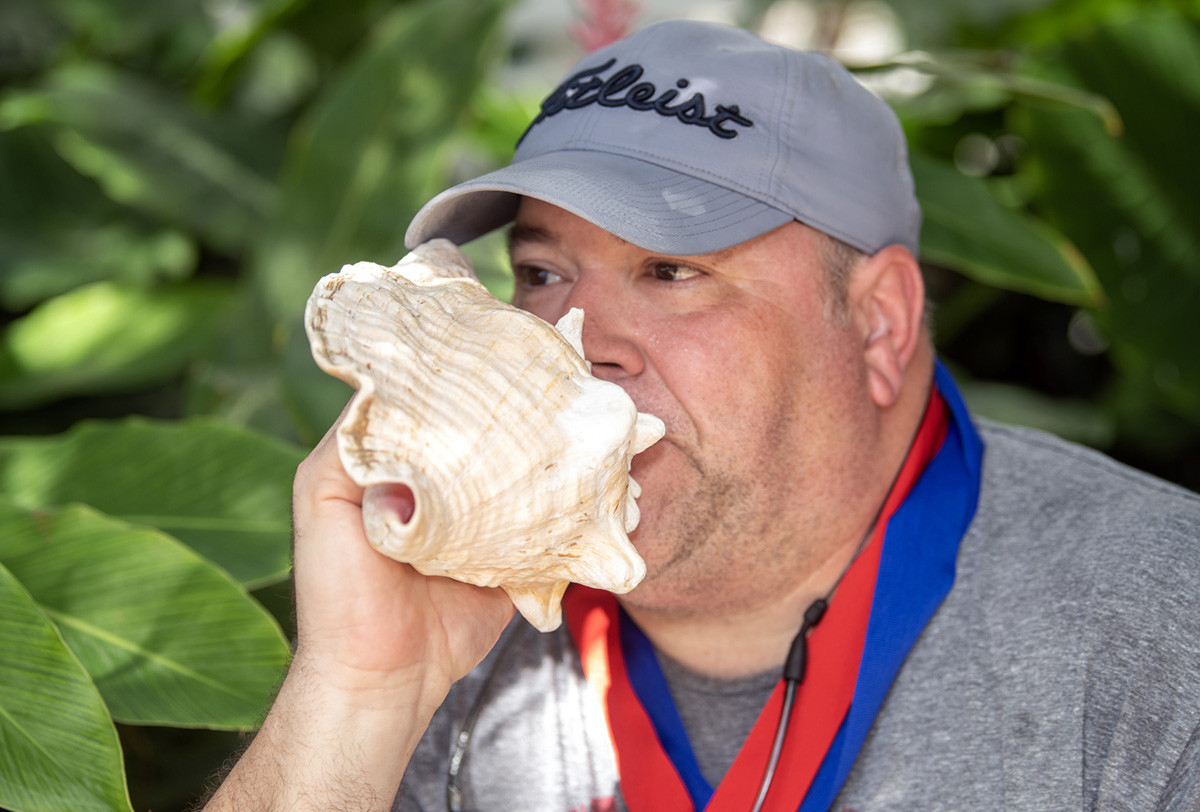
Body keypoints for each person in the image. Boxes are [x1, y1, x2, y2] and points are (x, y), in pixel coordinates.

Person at [201, 19, 1200, 812]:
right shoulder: (458, 625)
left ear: (879, 323)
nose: (580, 340)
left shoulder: (1158, 628)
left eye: (672, 270)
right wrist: (365, 691)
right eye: (543, 272)